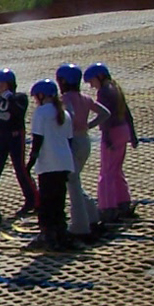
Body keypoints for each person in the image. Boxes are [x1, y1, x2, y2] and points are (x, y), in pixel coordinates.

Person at [55, 64, 110, 242]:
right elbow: (104, 113)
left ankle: (80, 225)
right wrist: (88, 126)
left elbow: (68, 116)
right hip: (85, 140)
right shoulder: (84, 98)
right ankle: (92, 215)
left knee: (72, 184)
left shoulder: (64, 99)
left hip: (73, 143)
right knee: (75, 180)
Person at [83, 63, 138, 222]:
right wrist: (132, 136)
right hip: (123, 130)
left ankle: (107, 207)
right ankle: (123, 202)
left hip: (113, 132)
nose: (91, 85)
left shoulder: (104, 92)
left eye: (92, 81)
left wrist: (106, 137)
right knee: (116, 169)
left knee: (106, 172)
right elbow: (127, 112)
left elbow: (106, 117)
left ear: (100, 77)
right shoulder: (116, 88)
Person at [25, 79, 75, 250]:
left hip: (48, 163)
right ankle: (61, 234)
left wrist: (30, 164)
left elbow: (37, 140)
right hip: (64, 162)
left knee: (46, 203)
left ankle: (47, 235)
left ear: (41, 96)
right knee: (59, 202)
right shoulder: (64, 113)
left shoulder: (41, 113)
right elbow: (70, 140)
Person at [0, 68, 39, 217]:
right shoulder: (0, 99)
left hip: (15, 137)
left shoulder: (19, 97)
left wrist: (11, 99)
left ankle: (32, 198)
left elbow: (19, 113)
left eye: (2, 83)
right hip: (1, 137)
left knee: (20, 168)